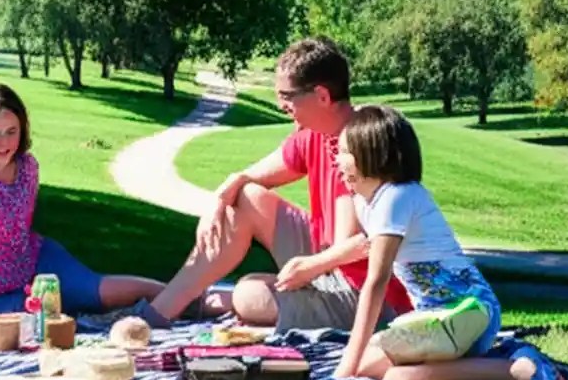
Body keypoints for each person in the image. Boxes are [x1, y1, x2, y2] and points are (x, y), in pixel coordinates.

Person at [144, 37, 413, 330]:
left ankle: (180, 305)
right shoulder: (315, 133)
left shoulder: (362, 143)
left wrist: (305, 269)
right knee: (247, 198)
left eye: (287, 95)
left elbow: (356, 245)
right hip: (327, 261)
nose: (281, 104)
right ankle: (164, 308)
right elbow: (246, 179)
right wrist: (219, 201)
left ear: (322, 96)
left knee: (249, 293)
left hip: (364, 291)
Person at [331, 104, 568, 380]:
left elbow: (377, 281)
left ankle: (517, 370)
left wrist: (345, 369)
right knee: (387, 374)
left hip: (468, 312)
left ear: (375, 153)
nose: (337, 159)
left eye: (344, 151)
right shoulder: (367, 202)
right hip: (441, 321)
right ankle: (505, 366)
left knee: (362, 367)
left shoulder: (396, 197)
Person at [0, 83, 165, 341]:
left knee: (100, 292)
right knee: (44, 325)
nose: (4, 143)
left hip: (38, 263)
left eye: (12, 131)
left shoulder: (28, 166)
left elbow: (20, 230)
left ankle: (189, 297)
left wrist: (40, 285)